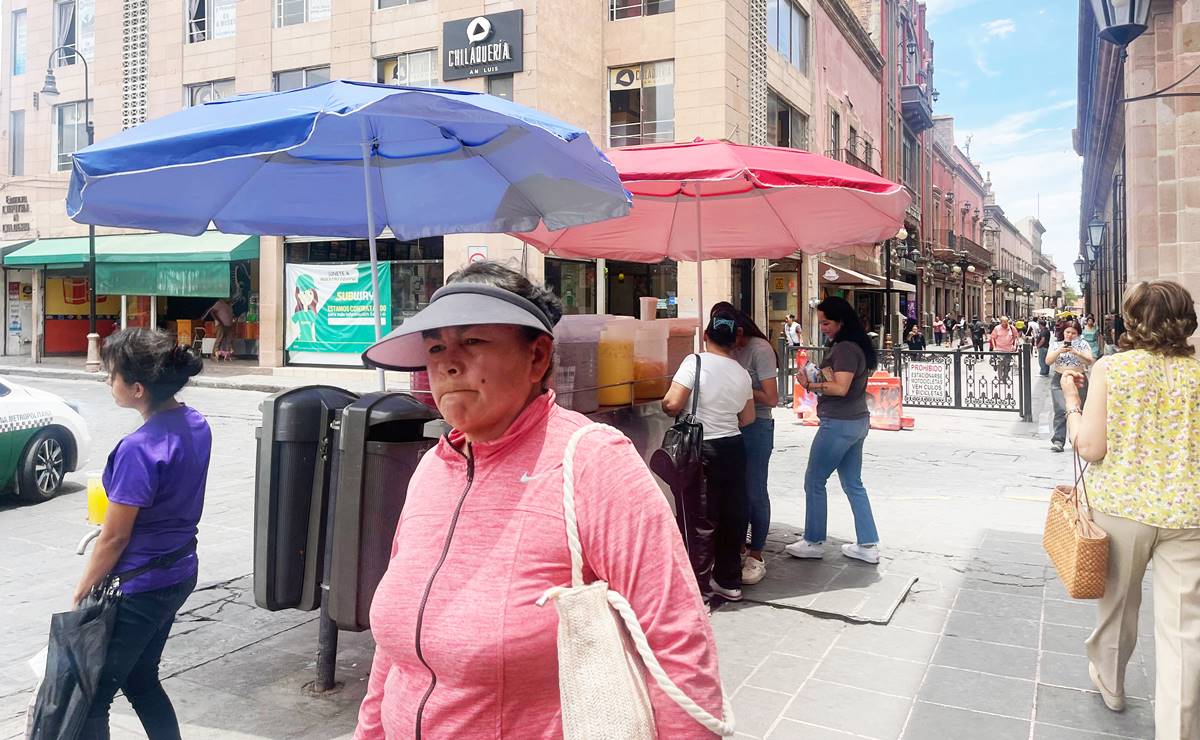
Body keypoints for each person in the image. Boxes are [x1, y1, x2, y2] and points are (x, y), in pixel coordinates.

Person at [355, 262, 724, 738]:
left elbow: (676, 638)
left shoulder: (593, 462)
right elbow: (394, 647)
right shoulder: (431, 469)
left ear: (536, 357)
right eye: (435, 347)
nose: (447, 362)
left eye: (471, 342)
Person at [1061, 280, 1200, 740]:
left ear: (1134, 319)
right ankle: (1178, 731)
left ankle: (1111, 684)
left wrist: (1072, 404)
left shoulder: (1112, 370)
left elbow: (1091, 447)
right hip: (1188, 512)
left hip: (1124, 506)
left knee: (1118, 605)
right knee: (1183, 630)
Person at [73, 329, 209, 739]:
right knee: (140, 678)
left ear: (136, 389)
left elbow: (113, 539)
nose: (108, 381)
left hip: (140, 586)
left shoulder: (139, 448)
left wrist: (84, 587)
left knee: (94, 696)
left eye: (112, 375)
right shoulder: (195, 423)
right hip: (180, 571)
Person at [664, 308, 756, 601]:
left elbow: (672, 403)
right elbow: (748, 418)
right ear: (734, 341)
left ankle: (698, 586)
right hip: (734, 448)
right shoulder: (741, 372)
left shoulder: (695, 361)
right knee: (732, 515)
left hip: (702, 448)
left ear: (705, 336)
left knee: (700, 517)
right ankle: (728, 581)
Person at [785, 296, 881, 565]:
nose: (823, 327)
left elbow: (840, 387)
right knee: (853, 483)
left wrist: (809, 385)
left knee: (814, 480)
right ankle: (867, 543)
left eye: (826, 322)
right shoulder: (854, 346)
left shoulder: (846, 349)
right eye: (821, 322)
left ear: (841, 321)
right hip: (856, 420)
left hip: (839, 422)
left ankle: (813, 541)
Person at [711, 304, 779, 586]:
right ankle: (737, 544)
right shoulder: (725, 347)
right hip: (731, 424)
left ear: (740, 330)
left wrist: (737, 384)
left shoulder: (759, 349)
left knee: (754, 490)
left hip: (757, 426)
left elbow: (772, 398)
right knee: (734, 492)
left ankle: (757, 553)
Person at [1046, 319, 1093, 452]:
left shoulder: (1083, 344)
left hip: (1078, 379)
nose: (1070, 335)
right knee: (1061, 410)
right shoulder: (1056, 344)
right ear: (1063, 332)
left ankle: (1077, 438)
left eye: (1073, 333)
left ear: (1078, 333)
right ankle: (1058, 440)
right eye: (1067, 332)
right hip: (1059, 379)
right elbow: (1048, 361)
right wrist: (1059, 351)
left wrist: (1076, 352)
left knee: (1079, 410)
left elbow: (1089, 361)